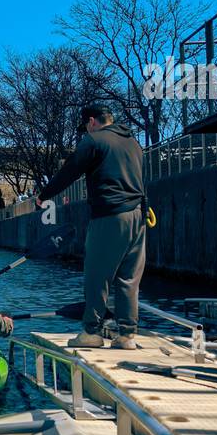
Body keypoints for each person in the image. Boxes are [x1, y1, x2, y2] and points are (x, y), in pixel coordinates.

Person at [37, 105, 147, 350]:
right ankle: (127, 335)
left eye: (86, 126)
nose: (86, 130)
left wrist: (44, 195)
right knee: (129, 278)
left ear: (91, 121)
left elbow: (70, 170)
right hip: (138, 216)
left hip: (110, 216)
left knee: (97, 275)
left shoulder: (94, 141)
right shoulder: (133, 144)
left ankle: (91, 332)